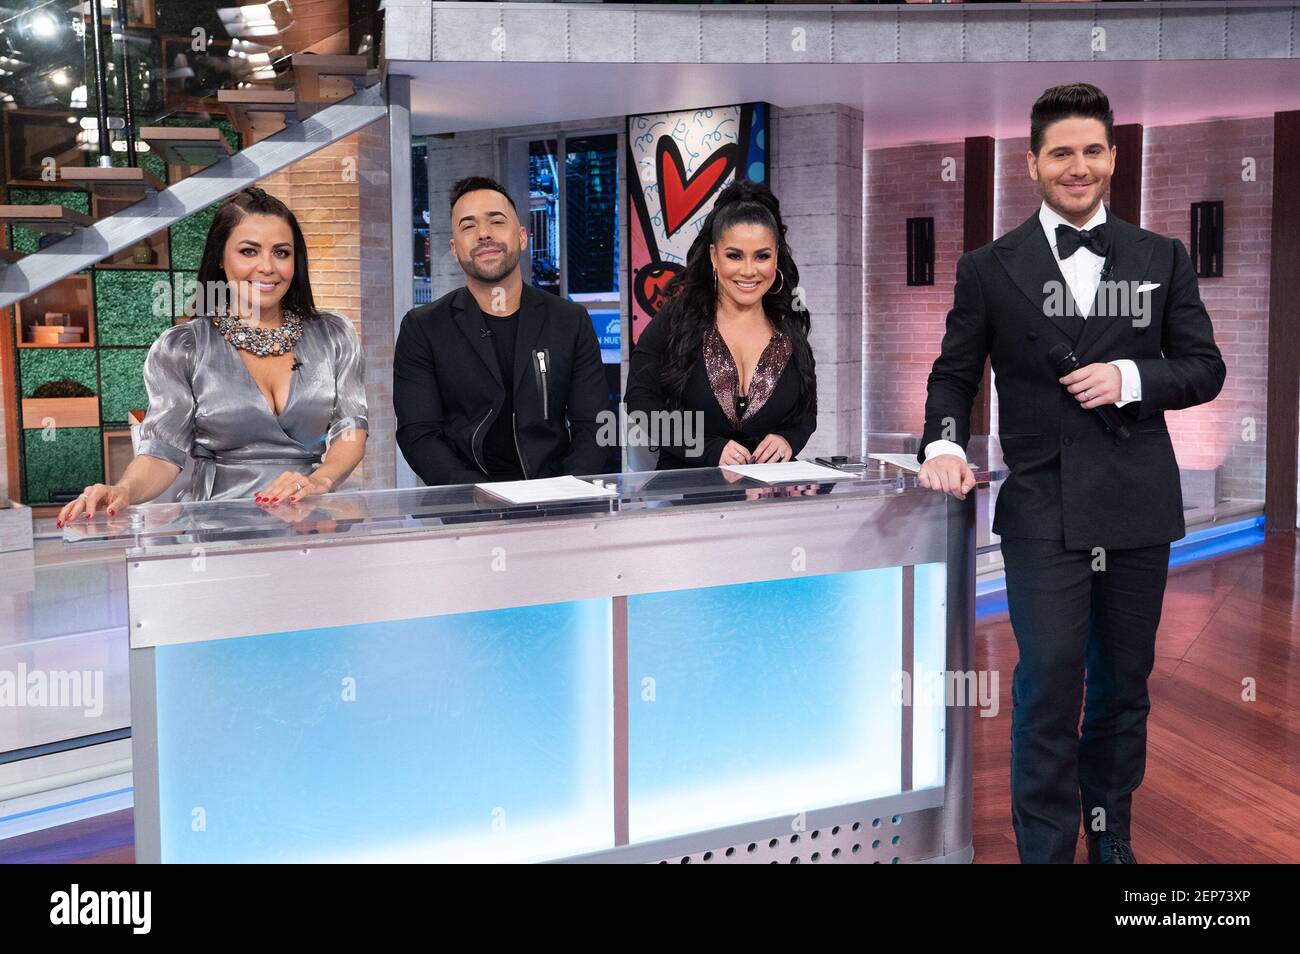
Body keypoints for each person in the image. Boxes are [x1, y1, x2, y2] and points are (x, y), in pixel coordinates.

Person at [916, 83, 1226, 863]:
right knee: (1049, 684)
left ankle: (1109, 832)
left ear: (1114, 159)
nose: (1078, 166)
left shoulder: (1163, 257)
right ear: (1033, 164)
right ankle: (1046, 849)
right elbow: (954, 375)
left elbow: (1204, 368)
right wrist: (944, 445)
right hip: (1043, 507)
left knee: (1123, 687)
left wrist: (1130, 377)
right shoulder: (988, 267)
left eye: (1092, 150)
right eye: (1062, 153)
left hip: (1136, 503)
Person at [56, 187, 368, 525]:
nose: (267, 267)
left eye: (281, 252)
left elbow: (350, 431)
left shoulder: (334, 335)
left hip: (310, 522)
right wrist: (124, 489)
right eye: (249, 251)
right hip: (216, 527)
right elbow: (162, 453)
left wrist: (320, 480)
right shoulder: (183, 347)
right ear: (221, 257)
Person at [394, 175, 608, 485]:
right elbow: (419, 434)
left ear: (522, 237)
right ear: (454, 249)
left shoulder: (570, 320)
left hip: (558, 502)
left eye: (496, 221)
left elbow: (594, 426)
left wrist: (564, 492)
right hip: (467, 511)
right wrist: (477, 498)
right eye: (468, 226)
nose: (483, 234)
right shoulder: (423, 327)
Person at [625, 178, 816, 470]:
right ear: (714, 256)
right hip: (689, 494)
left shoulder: (788, 324)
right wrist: (705, 447)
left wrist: (788, 438)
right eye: (734, 256)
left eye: (762, 256)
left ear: (776, 256)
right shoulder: (678, 318)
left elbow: (806, 412)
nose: (749, 271)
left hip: (770, 497)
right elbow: (641, 404)